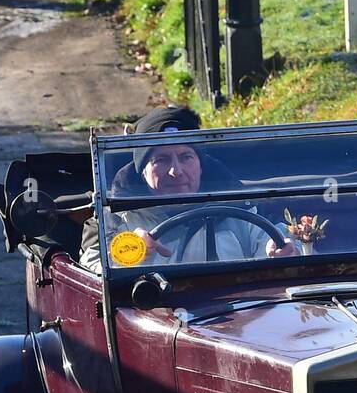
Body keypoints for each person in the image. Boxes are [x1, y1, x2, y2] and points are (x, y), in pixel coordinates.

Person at [80, 106, 296, 271]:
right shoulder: (115, 217)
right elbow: (91, 269)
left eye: (186, 157)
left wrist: (280, 251)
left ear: (201, 165)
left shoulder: (243, 208)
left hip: (240, 318)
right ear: (142, 171)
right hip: (154, 316)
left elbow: (284, 244)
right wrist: (131, 251)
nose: (176, 171)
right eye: (162, 159)